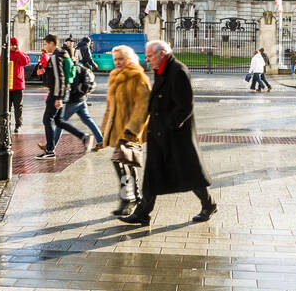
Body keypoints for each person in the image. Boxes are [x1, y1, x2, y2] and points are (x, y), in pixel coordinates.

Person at [120, 40, 217, 226]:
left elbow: (185, 105)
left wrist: (169, 124)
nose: (146, 60)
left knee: (190, 173)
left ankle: (208, 204)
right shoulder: (162, 69)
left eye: (149, 56)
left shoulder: (178, 71)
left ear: (162, 53)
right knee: (153, 173)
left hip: (175, 134)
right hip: (159, 132)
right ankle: (143, 213)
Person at [102, 45, 150, 216]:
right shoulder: (115, 76)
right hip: (117, 128)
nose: (117, 62)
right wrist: (104, 129)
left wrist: (132, 130)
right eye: (115, 59)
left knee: (125, 162)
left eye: (121, 58)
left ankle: (130, 198)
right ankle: (131, 197)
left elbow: (143, 106)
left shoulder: (138, 77)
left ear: (129, 59)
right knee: (123, 162)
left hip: (130, 129)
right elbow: (110, 106)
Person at [54, 39, 104, 150]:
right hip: (82, 98)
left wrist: (64, 97)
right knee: (87, 119)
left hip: (74, 99)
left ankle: (51, 146)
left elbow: (71, 85)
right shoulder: (78, 65)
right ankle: (100, 140)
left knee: (60, 122)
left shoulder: (70, 67)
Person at [35, 34, 70, 159]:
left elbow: (59, 77)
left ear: (51, 43)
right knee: (59, 121)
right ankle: (51, 148)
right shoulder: (60, 54)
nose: (45, 46)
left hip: (56, 94)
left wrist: (58, 97)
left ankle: (50, 150)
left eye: (45, 43)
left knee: (47, 119)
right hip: (60, 92)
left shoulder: (55, 56)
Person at [4, 37, 29, 136]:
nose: (13, 46)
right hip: (7, 86)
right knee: (7, 108)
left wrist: (18, 52)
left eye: (15, 44)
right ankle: (7, 125)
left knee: (18, 107)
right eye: (12, 44)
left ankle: (18, 125)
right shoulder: (5, 54)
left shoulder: (21, 54)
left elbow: (25, 62)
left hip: (18, 86)